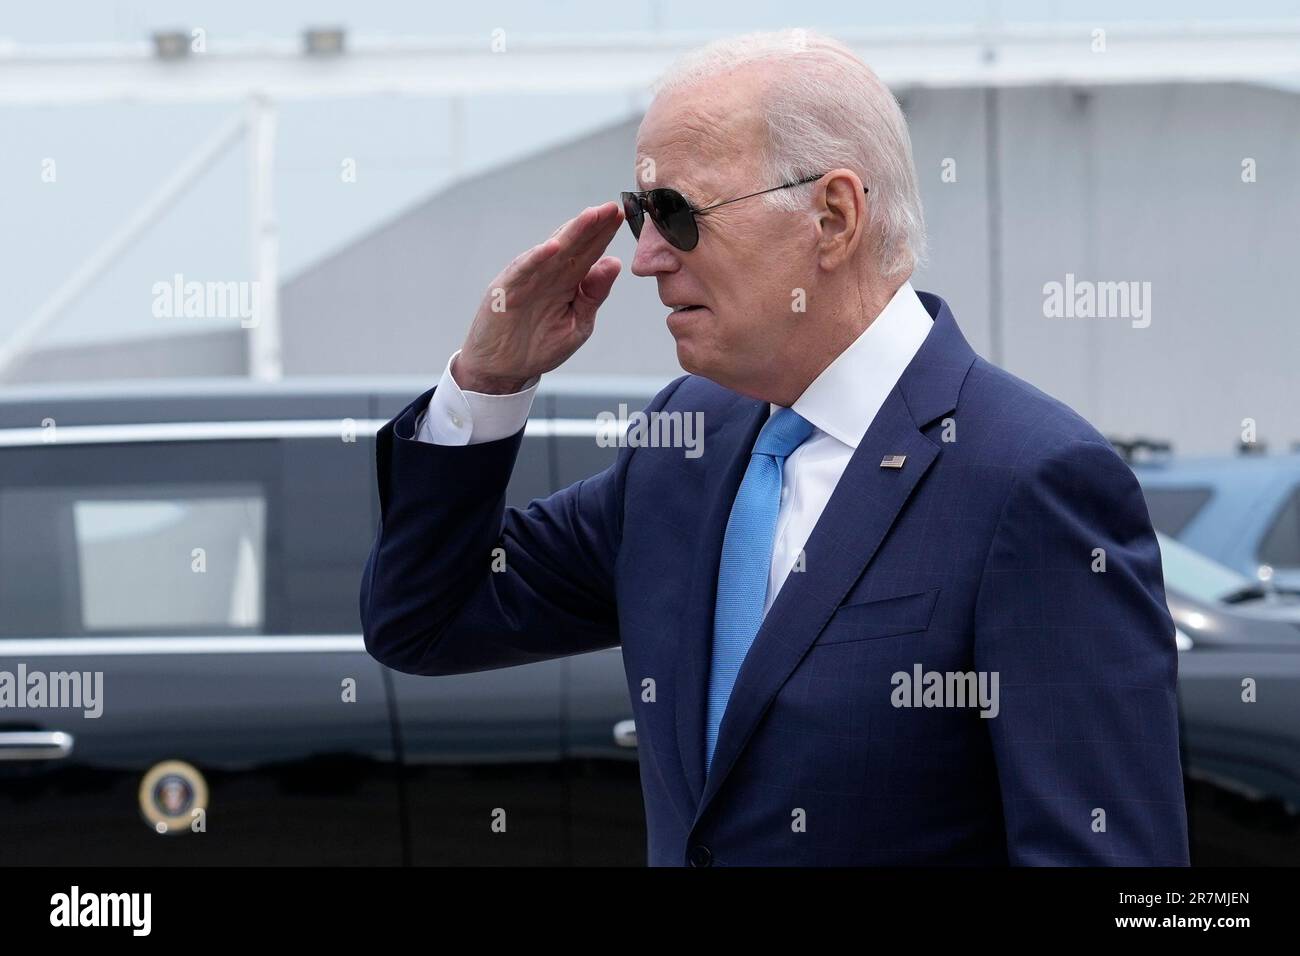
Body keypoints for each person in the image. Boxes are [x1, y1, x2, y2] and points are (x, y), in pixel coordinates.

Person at [360, 28, 1189, 866]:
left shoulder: (1030, 479)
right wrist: (489, 383)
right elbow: (426, 622)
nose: (645, 258)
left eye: (679, 214)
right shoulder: (685, 445)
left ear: (833, 217)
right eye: (644, 215)